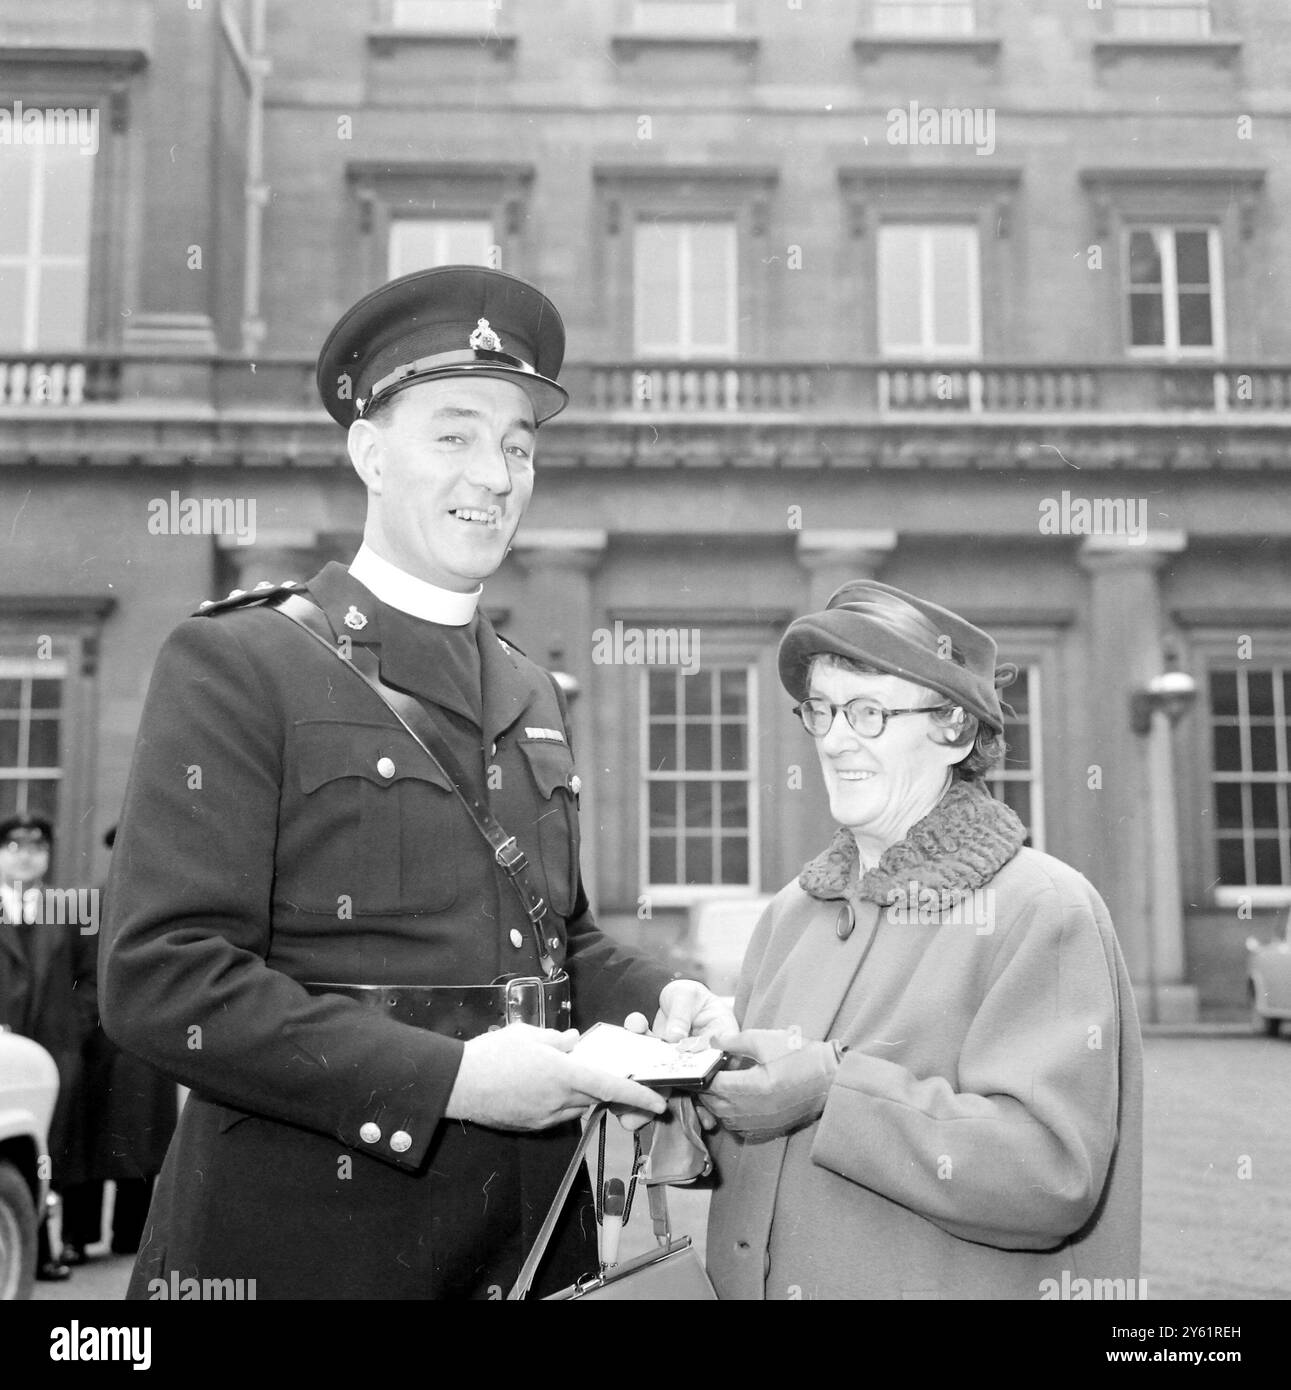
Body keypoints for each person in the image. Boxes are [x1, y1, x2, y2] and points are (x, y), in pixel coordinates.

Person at [100, 265, 733, 1300]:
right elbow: (160, 978)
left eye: (518, 446)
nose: (495, 474)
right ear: (370, 454)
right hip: (311, 1250)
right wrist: (452, 1081)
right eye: (454, 436)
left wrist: (661, 997)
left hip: (530, 1244)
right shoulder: (242, 663)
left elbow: (557, 937)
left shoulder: (531, 687)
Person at [700, 581, 1143, 1300]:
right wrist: (690, 1078)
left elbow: (1050, 1175)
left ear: (955, 731)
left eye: (868, 711)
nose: (833, 739)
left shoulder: (1041, 907)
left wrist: (830, 1092)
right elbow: (752, 1146)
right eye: (820, 709)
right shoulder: (792, 912)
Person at [58, 824, 178, 1265]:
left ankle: (129, 1235)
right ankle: (77, 1237)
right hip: (92, 1043)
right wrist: (79, 1026)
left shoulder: (164, 905)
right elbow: (72, 972)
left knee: (139, 1146)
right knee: (85, 1144)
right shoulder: (85, 905)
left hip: (145, 1044)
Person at [0, 813, 97, 1281]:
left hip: (56, 1050)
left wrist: (72, 1029)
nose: (25, 857)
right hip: (5, 1051)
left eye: (36, 849)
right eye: (14, 847)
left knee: (48, 1147)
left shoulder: (68, 908)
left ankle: (40, 1250)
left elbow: (92, 978)